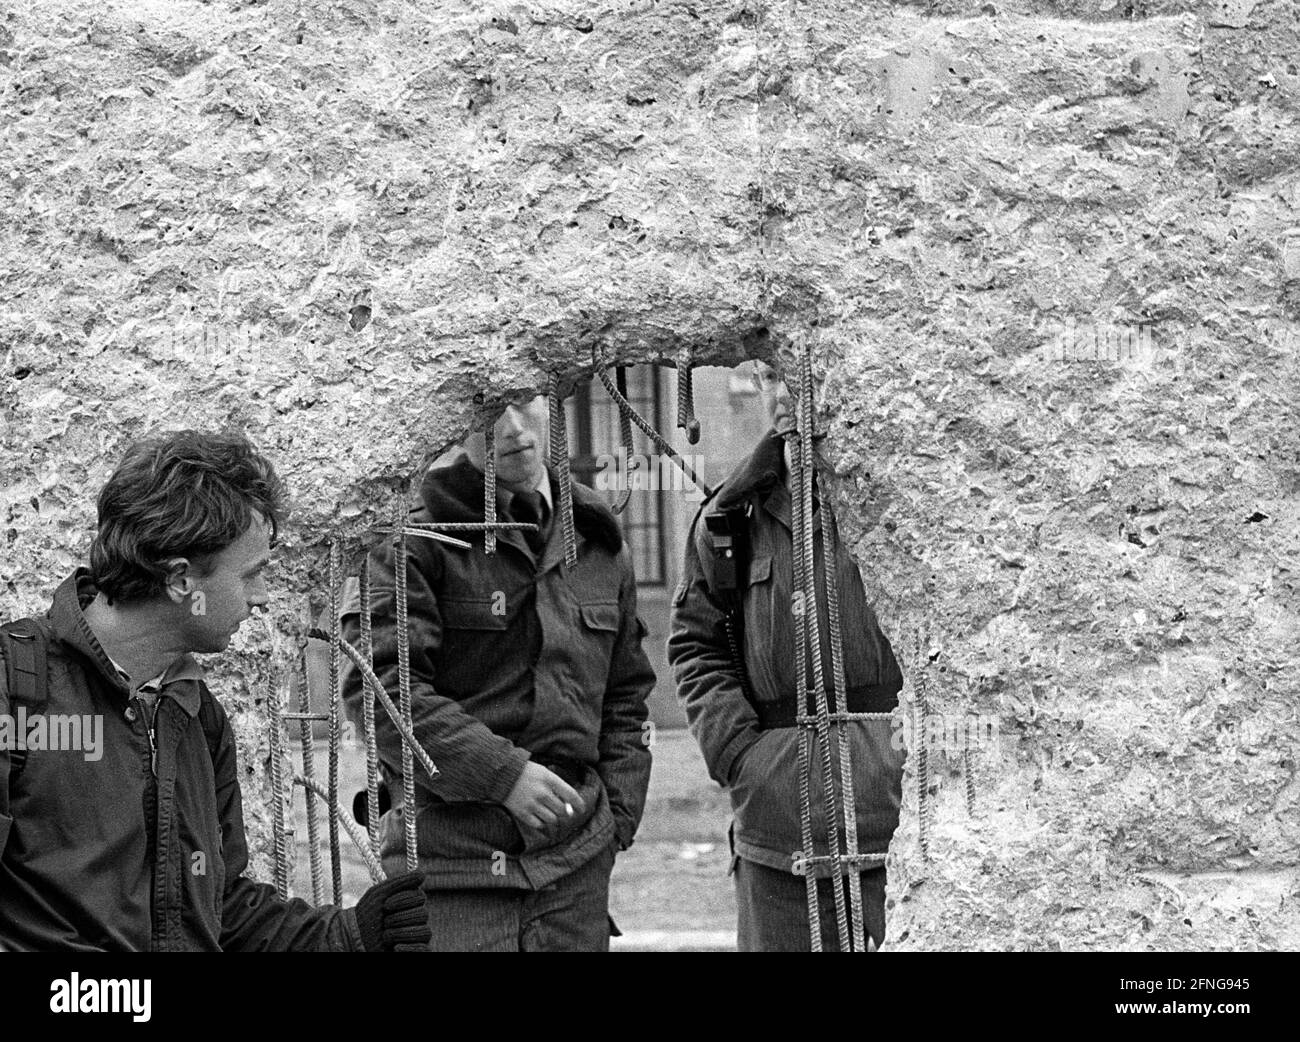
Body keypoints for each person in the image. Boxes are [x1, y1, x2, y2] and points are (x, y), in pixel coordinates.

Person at [0, 430, 430, 952]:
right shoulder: (17, 692)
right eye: (251, 574)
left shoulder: (195, 715)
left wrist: (348, 934)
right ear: (181, 579)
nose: (263, 596)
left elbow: (220, 910)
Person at [340, 394, 655, 952]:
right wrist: (503, 776)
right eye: (484, 410)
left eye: (525, 401)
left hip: (573, 873)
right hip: (450, 872)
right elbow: (380, 690)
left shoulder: (596, 539)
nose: (511, 428)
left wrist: (616, 818)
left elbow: (625, 694)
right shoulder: (415, 537)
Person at [667, 361, 906, 951]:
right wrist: (742, 756)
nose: (785, 395)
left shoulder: (906, 502)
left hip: (901, 826)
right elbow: (697, 645)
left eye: (802, 374)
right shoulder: (731, 518)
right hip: (779, 835)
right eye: (771, 377)